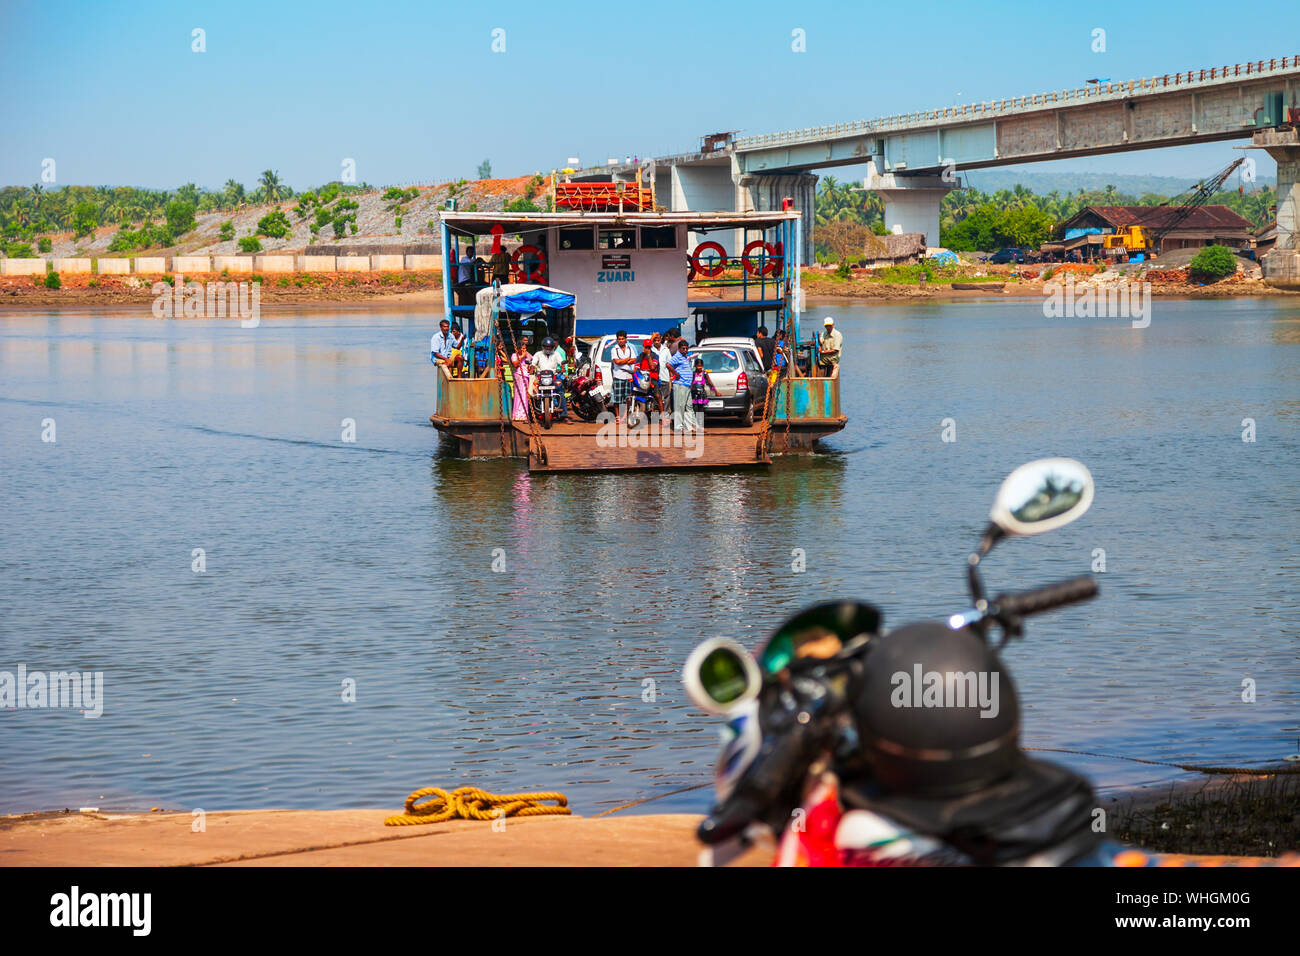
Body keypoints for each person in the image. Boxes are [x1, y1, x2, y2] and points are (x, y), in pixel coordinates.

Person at [529, 336, 567, 418]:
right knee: (533, 393)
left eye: (549, 347)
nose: (548, 348)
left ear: (553, 347)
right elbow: (533, 362)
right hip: (540, 377)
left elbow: (561, 362)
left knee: (560, 392)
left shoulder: (556, 354)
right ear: (543, 346)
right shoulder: (538, 354)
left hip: (553, 376)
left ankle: (564, 414)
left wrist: (563, 368)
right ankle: (531, 415)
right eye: (546, 346)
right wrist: (531, 369)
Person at [609, 330, 636, 423]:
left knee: (628, 397)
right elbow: (617, 362)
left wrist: (623, 360)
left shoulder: (630, 348)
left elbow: (634, 360)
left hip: (628, 375)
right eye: (619, 339)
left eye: (622, 339)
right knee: (617, 398)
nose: (621, 341)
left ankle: (625, 415)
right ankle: (617, 417)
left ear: (626, 339)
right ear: (617, 340)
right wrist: (627, 359)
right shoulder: (614, 349)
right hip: (618, 375)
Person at [667, 338, 694, 431]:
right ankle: (678, 427)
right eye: (683, 348)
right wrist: (676, 374)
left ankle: (689, 426)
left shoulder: (685, 357)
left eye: (686, 348)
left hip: (687, 385)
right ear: (679, 349)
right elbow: (668, 365)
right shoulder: (677, 356)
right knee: (679, 407)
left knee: (688, 406)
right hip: (680, 384)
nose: (685, 350)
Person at [689, 357, 719, 431]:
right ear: (695, 366)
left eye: (700, 366)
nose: (699, 368)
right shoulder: (693, 374)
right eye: (697, 366)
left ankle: (701, 426)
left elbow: (709, 383)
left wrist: (715, 391)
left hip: (701, 395)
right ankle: (695, 425)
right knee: (694, 409)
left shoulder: (705, 374)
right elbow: (690, 384)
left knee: (701, 410)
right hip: (694, 394)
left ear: (702, 366)